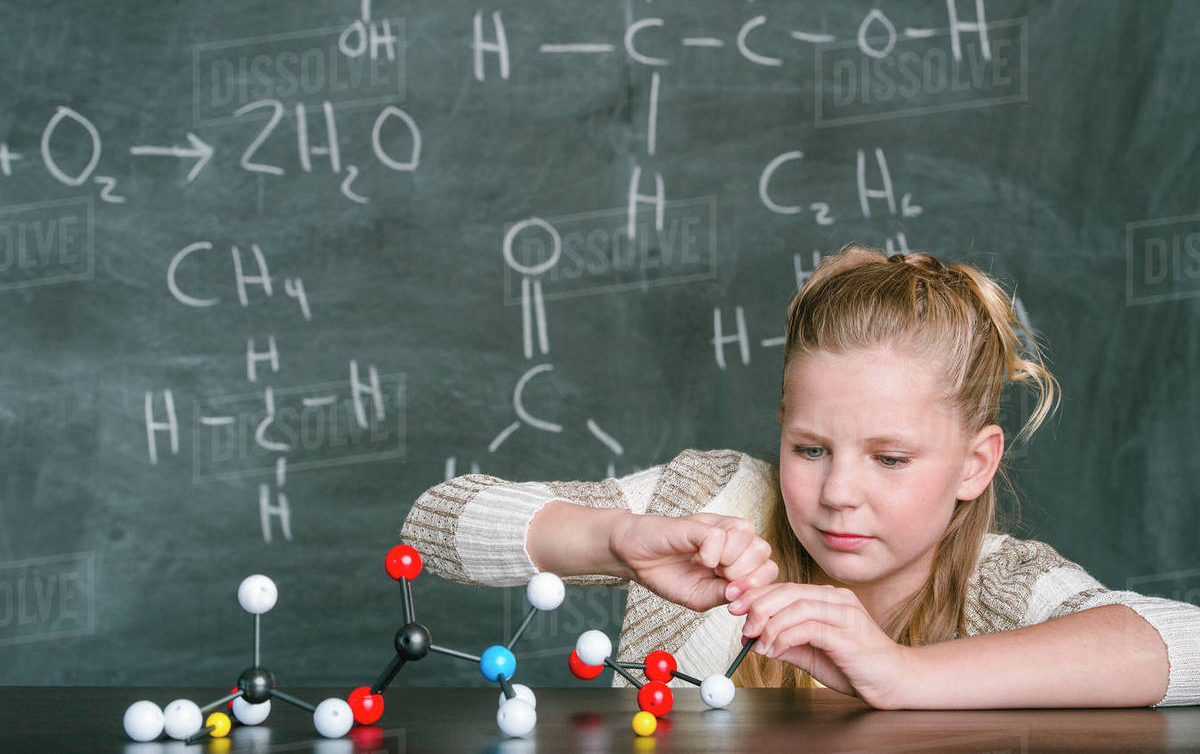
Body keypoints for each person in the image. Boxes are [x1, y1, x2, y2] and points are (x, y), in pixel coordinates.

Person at [401, 243, 1200, 709]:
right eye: (810, 448)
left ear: (975, 463)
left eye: (889, 458)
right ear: (781, 426)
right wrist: (615, 536)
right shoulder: (715, 505)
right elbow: (434, 525)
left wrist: (900, 673)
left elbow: (1188, 643)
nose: (838, 491)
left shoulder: (1001, 583)